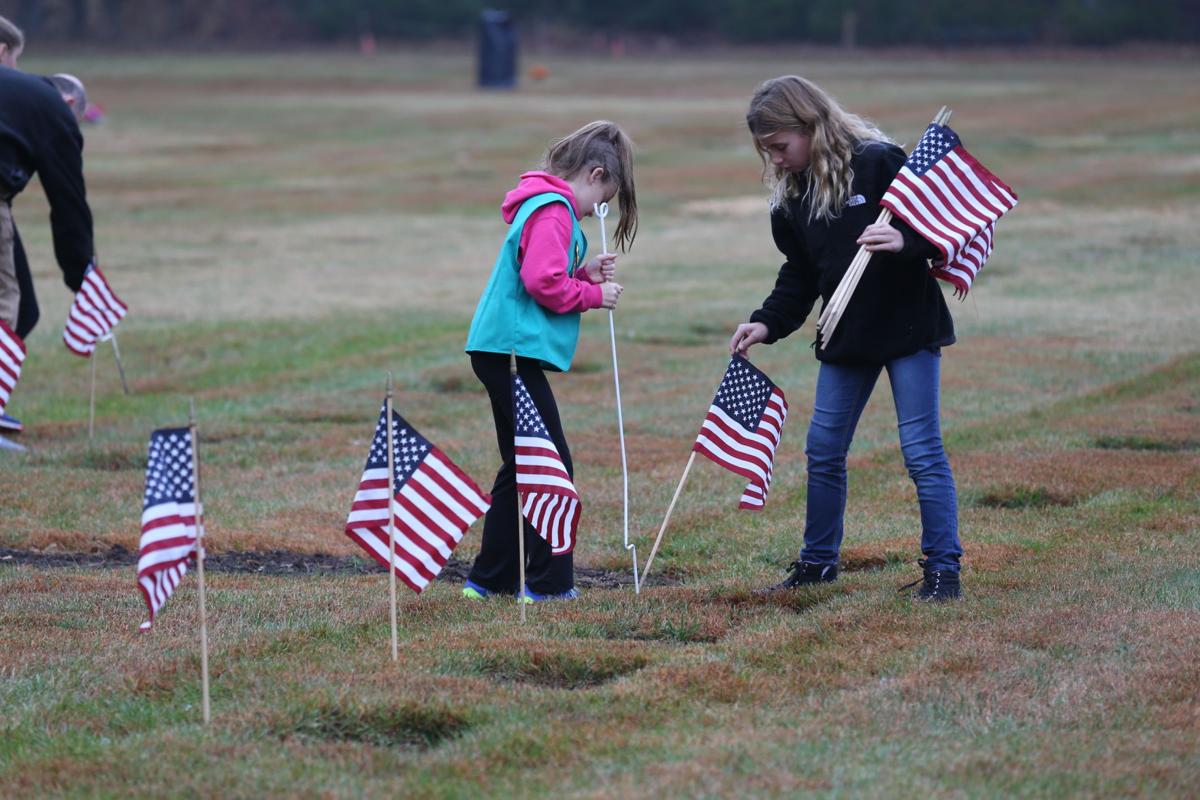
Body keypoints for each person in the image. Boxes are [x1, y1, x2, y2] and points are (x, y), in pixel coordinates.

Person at [729, 76, 963, 601]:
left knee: (922, 450)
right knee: (824, 450)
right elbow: (801, 274)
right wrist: (766, 322)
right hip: (844, 334)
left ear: (810, 125)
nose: (776, 160)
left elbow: (939, 228)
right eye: (766, 151)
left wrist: (907, 240)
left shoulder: (880, 163)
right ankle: (817, 563)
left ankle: (944, 569)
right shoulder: (792, 197)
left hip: (907, 328)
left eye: (780, 147)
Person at [463, 120, 637, 601]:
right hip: (511, 352)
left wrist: (581, 272)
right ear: (595, 174)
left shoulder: (544, 207)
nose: (597, 210)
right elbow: (542, 282)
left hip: (502, 350)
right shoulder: (556, 211)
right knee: (550, 464)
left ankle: (489, 581)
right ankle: (547, 585)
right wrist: (592, 294)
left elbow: (542, 272)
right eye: (603, 199)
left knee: (521, 464)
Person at [0, 16, 97, 433]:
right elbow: (68, 201)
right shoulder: (44, 102)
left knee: (26, 309)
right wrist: (82, 275)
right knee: (7, 306)